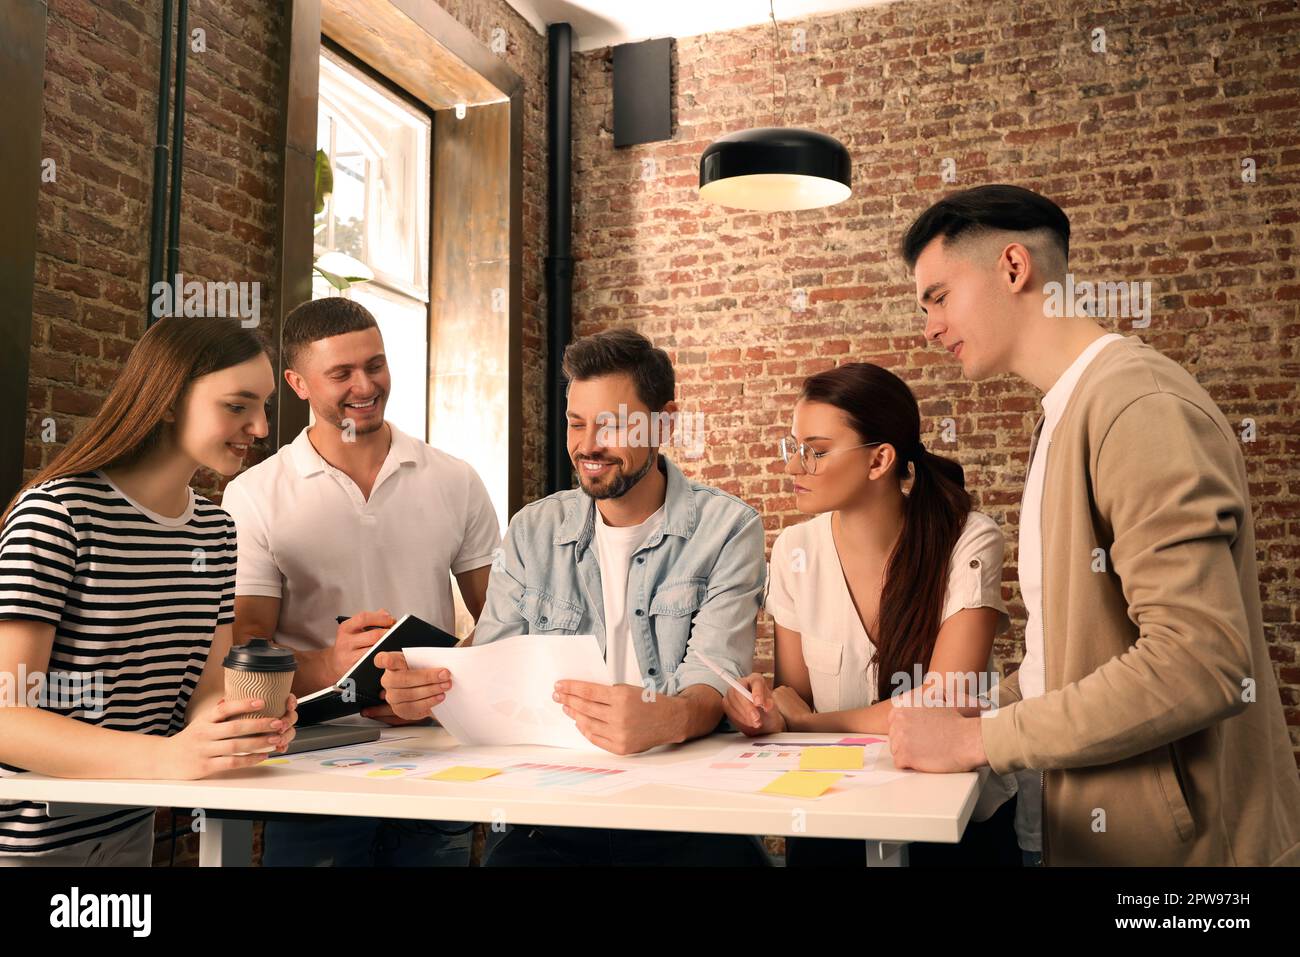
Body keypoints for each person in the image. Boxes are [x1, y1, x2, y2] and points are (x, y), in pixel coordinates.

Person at [887, 183, 1300, 866]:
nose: (928, 326)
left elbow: (1201, 661)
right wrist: (981, 708)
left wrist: (976, 742)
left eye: (937, 296)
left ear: (1013, 268)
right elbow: (1077, 657)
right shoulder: (1064, 414)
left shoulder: (1137, 406)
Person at [378, 329, 770, 865]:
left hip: (685, 812)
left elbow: (714, 674)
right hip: (549, 816)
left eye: (609, 425)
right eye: (576, 423)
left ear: (665, 422)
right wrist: (426, 695)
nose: (587, 446)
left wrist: (669, 717)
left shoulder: (728, 528)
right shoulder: (532, 530)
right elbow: (494, 668)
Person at [0, 316, 298, 865]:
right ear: (165, 401)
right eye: (237, 405)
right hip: (26, 841)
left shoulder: (216, 530)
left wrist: (239, 722)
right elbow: (5, 717)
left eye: (264, 407)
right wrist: (171, 758)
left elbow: (205, 689)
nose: (259, 428)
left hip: (130, 825)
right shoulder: (58, 514)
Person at [222, 296, 500, 867]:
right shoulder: (254, 494)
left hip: (436, 759)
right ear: (298, 383)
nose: (364, 385)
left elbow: (502, 620)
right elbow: (245, 651)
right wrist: (329, 663)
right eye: (341, 373)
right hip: (312, 766)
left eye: (374, 365)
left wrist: (439, 687)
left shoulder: (455, 479)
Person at [721, 362, 1019, 866]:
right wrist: (767, 710)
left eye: (814, 452)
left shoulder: (969, 539)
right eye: (792, 448)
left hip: (952, 823)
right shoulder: (796, 550)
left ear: (880, 459)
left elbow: (943, 707)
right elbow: (796, 698)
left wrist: (807, 724)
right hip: (833, 815)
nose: (793, 468)